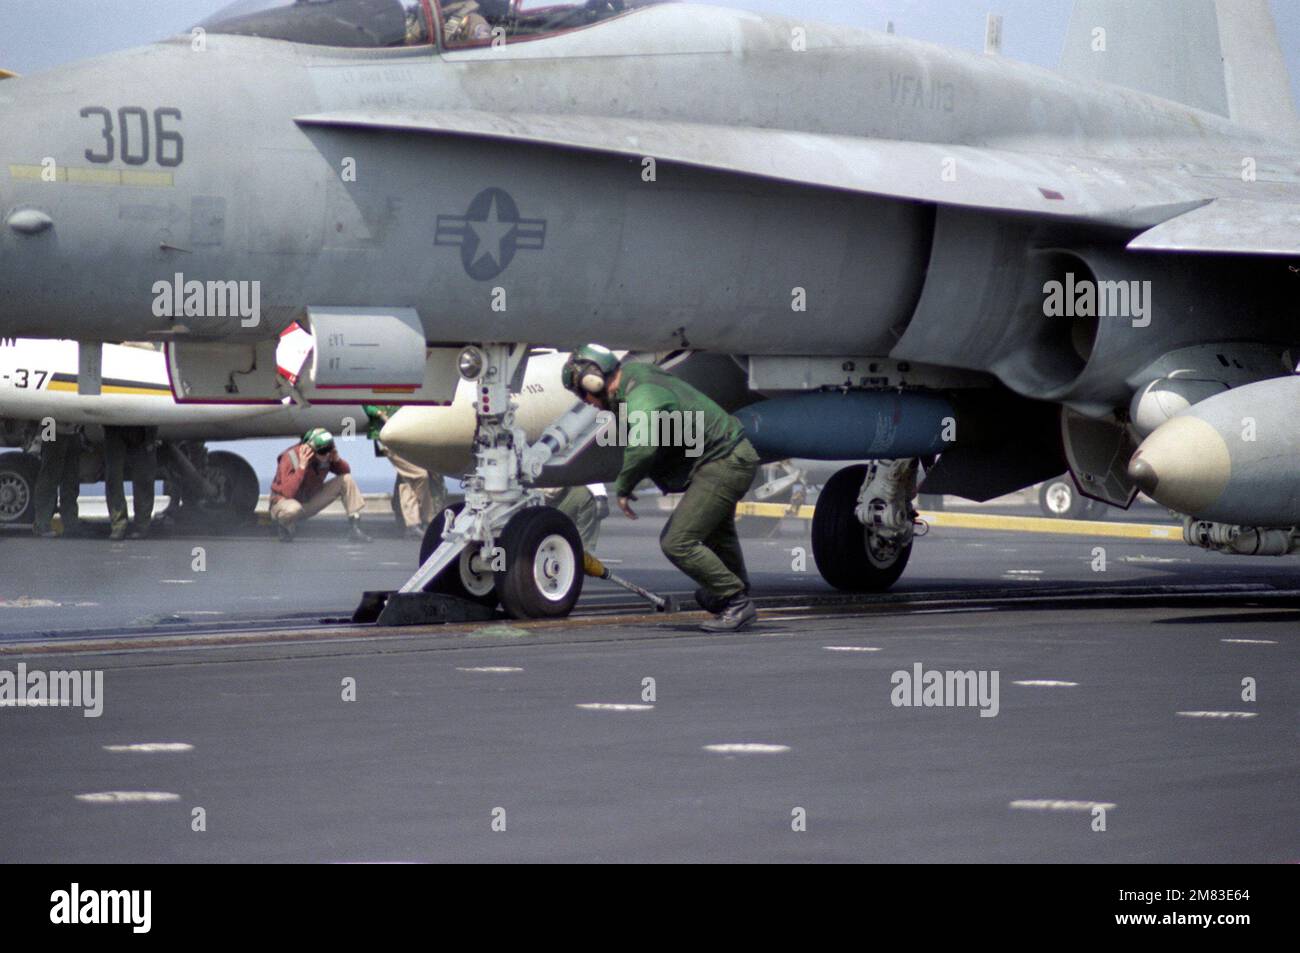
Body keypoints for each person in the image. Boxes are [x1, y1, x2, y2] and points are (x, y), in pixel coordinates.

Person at [561, 345, 761, 632]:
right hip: (722, 458)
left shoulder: (641, 396)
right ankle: (729, 592)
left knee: (677, 542)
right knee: (719, 530)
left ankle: (735, 601)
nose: (587, 402)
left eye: (583, 394)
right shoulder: (633, 375)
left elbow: (642, 448)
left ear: (594, 382)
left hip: (724, 462)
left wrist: (624, 486)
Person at [270, 428, 371, 543]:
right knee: (293, 509)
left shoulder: (326, 457)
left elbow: (345, 471)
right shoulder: (290, 457)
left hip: (308, 501)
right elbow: (288, 492)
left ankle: (355, 527)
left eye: (329, 449)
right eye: (323, 451)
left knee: (346, 479)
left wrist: (337, 459)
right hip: (285, 504)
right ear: (310, 448)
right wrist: (302, 467)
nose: (327, 454)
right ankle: (284, 527)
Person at [363, 404, 446, 539]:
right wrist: (380, 414)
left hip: (406, 434)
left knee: (408, 479)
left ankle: (413, 524)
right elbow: (364, 404)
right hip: (388, 436)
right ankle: (427, 518)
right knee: (420, 475)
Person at [102, 424, 157, 541]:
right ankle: (118, 525)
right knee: (113, 476)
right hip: (114, 425)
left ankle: (142, 525)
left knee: (144, 477)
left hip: (143, 427)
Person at [31, 422, 83, 539]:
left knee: (70, 480)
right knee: (50, 478)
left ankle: (69, 524)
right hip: (53, 425)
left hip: (71, 430)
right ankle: (43, 524)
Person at [543, 483, 609, 553]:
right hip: (534, 499)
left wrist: (600, 496)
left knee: (586, 496)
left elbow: (589, 474)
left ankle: (582, 553)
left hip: (559, 497)